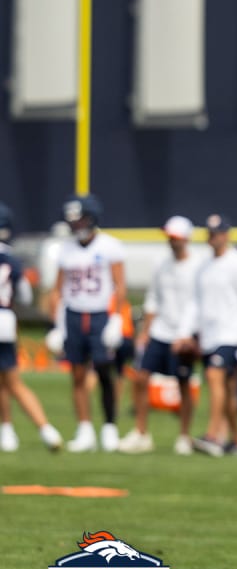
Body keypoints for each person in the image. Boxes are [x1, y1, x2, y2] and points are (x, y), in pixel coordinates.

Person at [173, 215, 237, 457]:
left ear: (226, 234)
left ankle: (213, 435)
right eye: (210, 233)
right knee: (229, 389)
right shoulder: (204, 266)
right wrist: (184, 333)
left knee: (214, 377)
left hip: (232, 335)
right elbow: (195, 303)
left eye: (218, 233)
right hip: (210, 336)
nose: (214, 237)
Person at [46, 194, 128, 453]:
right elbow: (57, 290)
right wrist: (57, 325)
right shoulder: (65, 249)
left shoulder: (110, 246)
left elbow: (120, 286)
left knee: (104, 370)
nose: (76, 225)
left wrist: (115, 317)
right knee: (77, 373)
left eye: (80, 220)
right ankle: (84, 429)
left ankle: (110, 427)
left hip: (99, 314)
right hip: (73, 314)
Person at [117, 216, 204, 454]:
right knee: (141, 377)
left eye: (175, 238)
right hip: (160, 331)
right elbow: (153, 298)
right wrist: (145, 331)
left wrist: (189, 334)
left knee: (184, 384)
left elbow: (198, 304)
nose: (171, 242)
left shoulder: (197, 266)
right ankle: (141, 432)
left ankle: (184, 436)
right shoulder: (161, 264)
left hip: (183, 334)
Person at [0, 202, 62, 452]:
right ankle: (43, 430)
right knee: (11, 381)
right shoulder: (13, 261)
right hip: (5, 321)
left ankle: (9, 431)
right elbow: (24, 296)